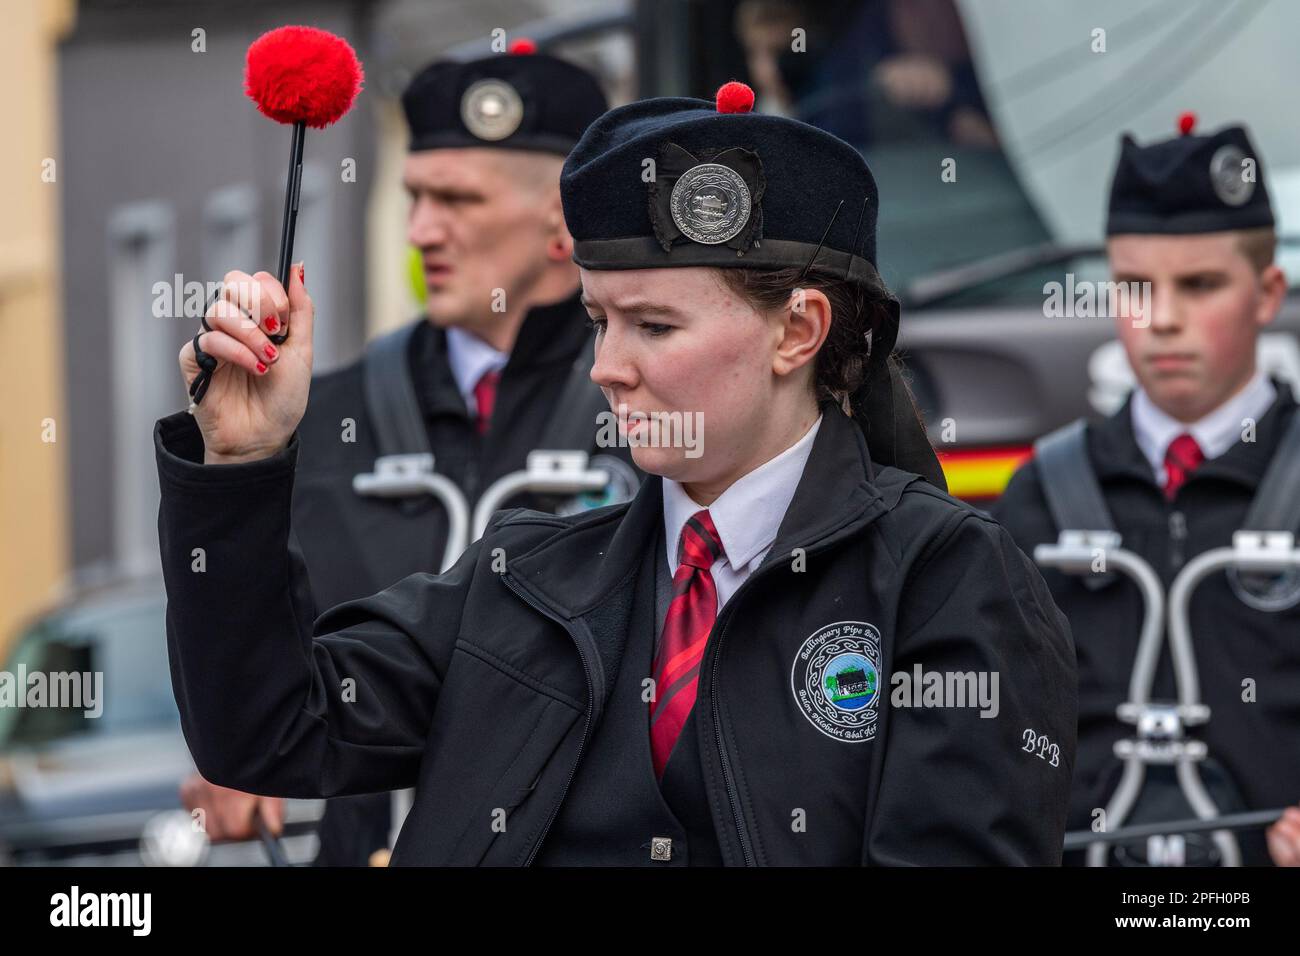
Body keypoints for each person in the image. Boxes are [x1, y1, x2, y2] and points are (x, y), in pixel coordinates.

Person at [155, 81, 1076, 865]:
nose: (607, 364)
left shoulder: (942, 582)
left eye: (655, 326)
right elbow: (273, 730)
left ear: (797, 332)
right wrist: (241, 460)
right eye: (600, 320)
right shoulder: (525, 578)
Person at [177, 43, 638, 867]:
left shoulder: (643, 405)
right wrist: (237, 465)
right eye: (416, 197)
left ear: (562, 226)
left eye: (459, 199)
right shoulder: (315, 411)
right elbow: (268, 680)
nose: (423, 231)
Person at [993, 117, 1300, 866]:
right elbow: (989, 725)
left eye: (1200, 286)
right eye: (1134, 287)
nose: (1161, 320)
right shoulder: (1039, 493)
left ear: (1267, 293)